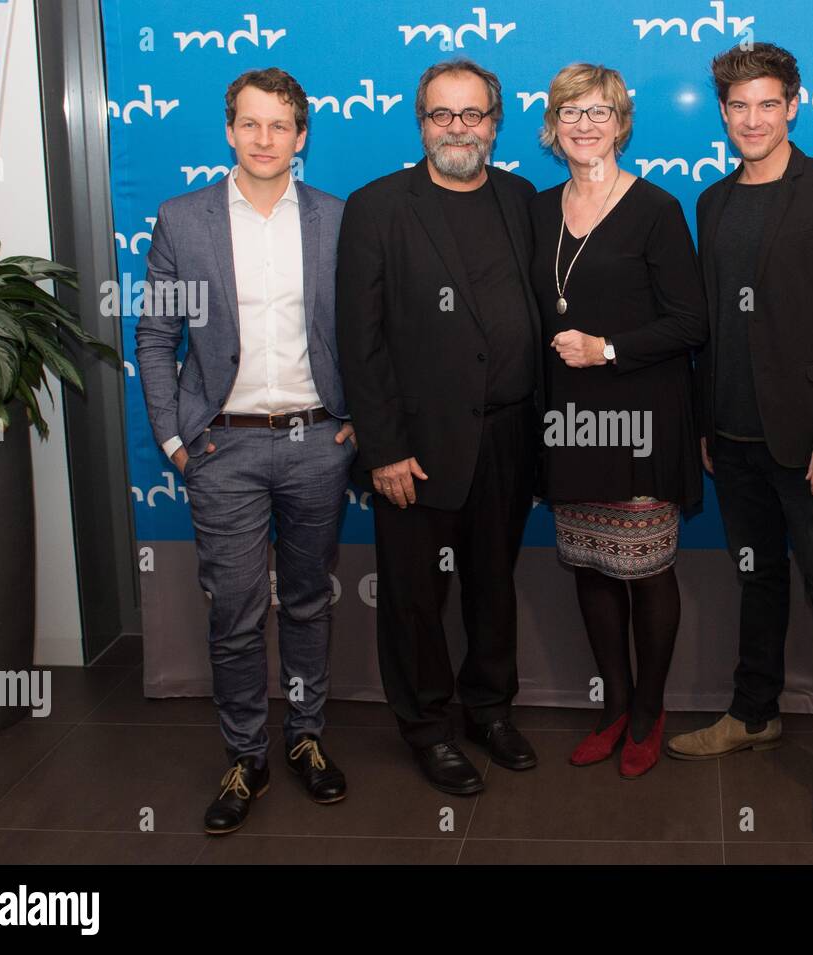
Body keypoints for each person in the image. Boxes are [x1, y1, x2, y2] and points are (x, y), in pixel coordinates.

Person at [666, 43, 813, 838]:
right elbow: (712, 326)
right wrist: (702, 425)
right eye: (737, 107)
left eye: (767, 103)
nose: (752, 119)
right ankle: (753, 712)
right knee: (756, 582)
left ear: (794, 104)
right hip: (732, 437)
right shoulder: (713, 202)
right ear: (722, 113)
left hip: (812, 444)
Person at [136, 68, 353, 835]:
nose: (265, 140)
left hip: (319, 443)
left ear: (302, 136)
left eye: (281, 126)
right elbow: (157, 333)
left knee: (304, 601)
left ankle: (306, 738)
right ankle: (245, 755)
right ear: (229, 130)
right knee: (234, 611)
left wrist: (353, 417)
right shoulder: (182, 219)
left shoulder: (335, 216)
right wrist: (174, 436)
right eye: (251, 124)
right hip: (221, 448)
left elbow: (367, 324)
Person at [335, 59, 542, 796]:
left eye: (472, 114)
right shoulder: (377, 207)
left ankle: (489, 707)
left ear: (496, 121)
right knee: (416, 595)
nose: (457, 129)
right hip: (415, 449)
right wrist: (384, 446)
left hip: (510, 438)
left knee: (493, 581)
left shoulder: (522, 198)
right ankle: (426, 725)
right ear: (420, 122)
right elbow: (357, 341)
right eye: (441, 115)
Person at [528, 64, 708, 778]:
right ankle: (613, 704)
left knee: (645, 570)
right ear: (552, 123)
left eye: (599, 111)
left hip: (640, 414)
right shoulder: (537, 210)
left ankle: (649, 710)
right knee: (591, 565)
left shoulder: (656, 209)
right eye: (571, 111)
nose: (584, 124)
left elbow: (691, 322)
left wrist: (608, 349)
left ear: (622, 123)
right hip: (568, 420)